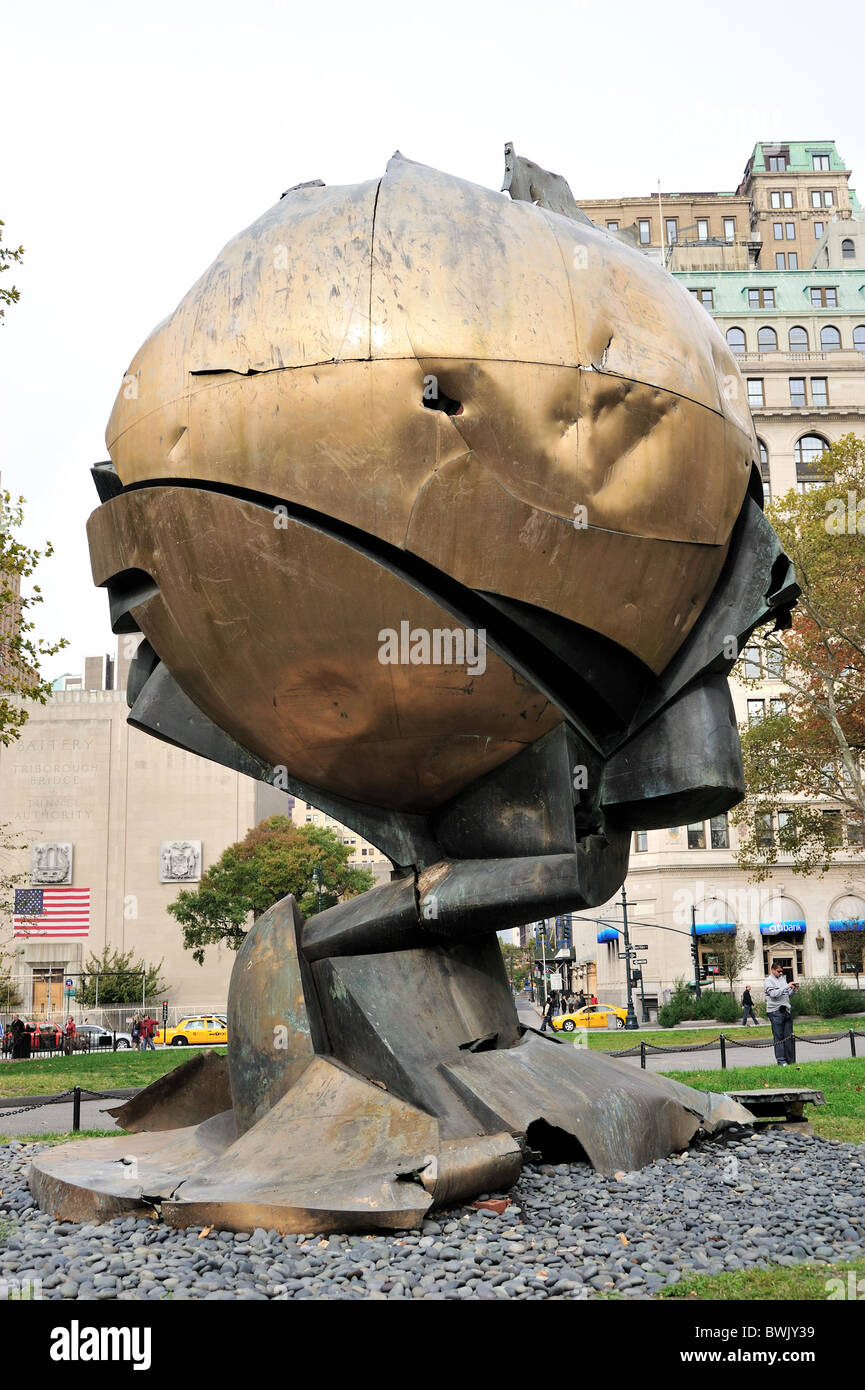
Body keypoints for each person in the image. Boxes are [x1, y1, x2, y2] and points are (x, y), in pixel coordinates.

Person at [764, 963, 798, 1065]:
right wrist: (787, 986)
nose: (781, 973)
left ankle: (790, 1061)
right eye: (779, 971)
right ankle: (781, 1061)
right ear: (772, 970)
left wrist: (794, 990)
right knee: (778, 1037)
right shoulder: (768, 981)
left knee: (789, 1037)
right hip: (775, 1011)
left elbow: (786, 995)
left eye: (782, 971)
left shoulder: (782, 979)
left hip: (786, 1010)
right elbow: (773, 994)